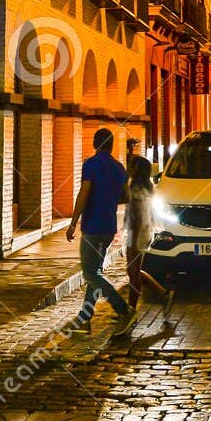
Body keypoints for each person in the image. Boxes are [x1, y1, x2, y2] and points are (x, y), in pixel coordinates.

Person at [66, 128, 135, 334]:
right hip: (108, 227)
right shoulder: (119, 168)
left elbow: (84, 193)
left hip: (92, 225)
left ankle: (123, 309)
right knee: (95, 272)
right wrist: (109, 197)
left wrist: (72, 222)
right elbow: (126, 197)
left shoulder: (91, 164)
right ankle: (84, 318)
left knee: (90, 273)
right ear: (111, 145)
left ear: (95, 144)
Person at [124, 154, 171, 313]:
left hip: (138, 232)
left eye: (131, 166)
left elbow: (137, 215)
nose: (128, 168)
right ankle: (162, 293)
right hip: (143, 231)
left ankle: (131, 309)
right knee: (133, 270)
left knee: (133, 272)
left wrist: (133, 238)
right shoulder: (146, 187)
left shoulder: (136, 188)